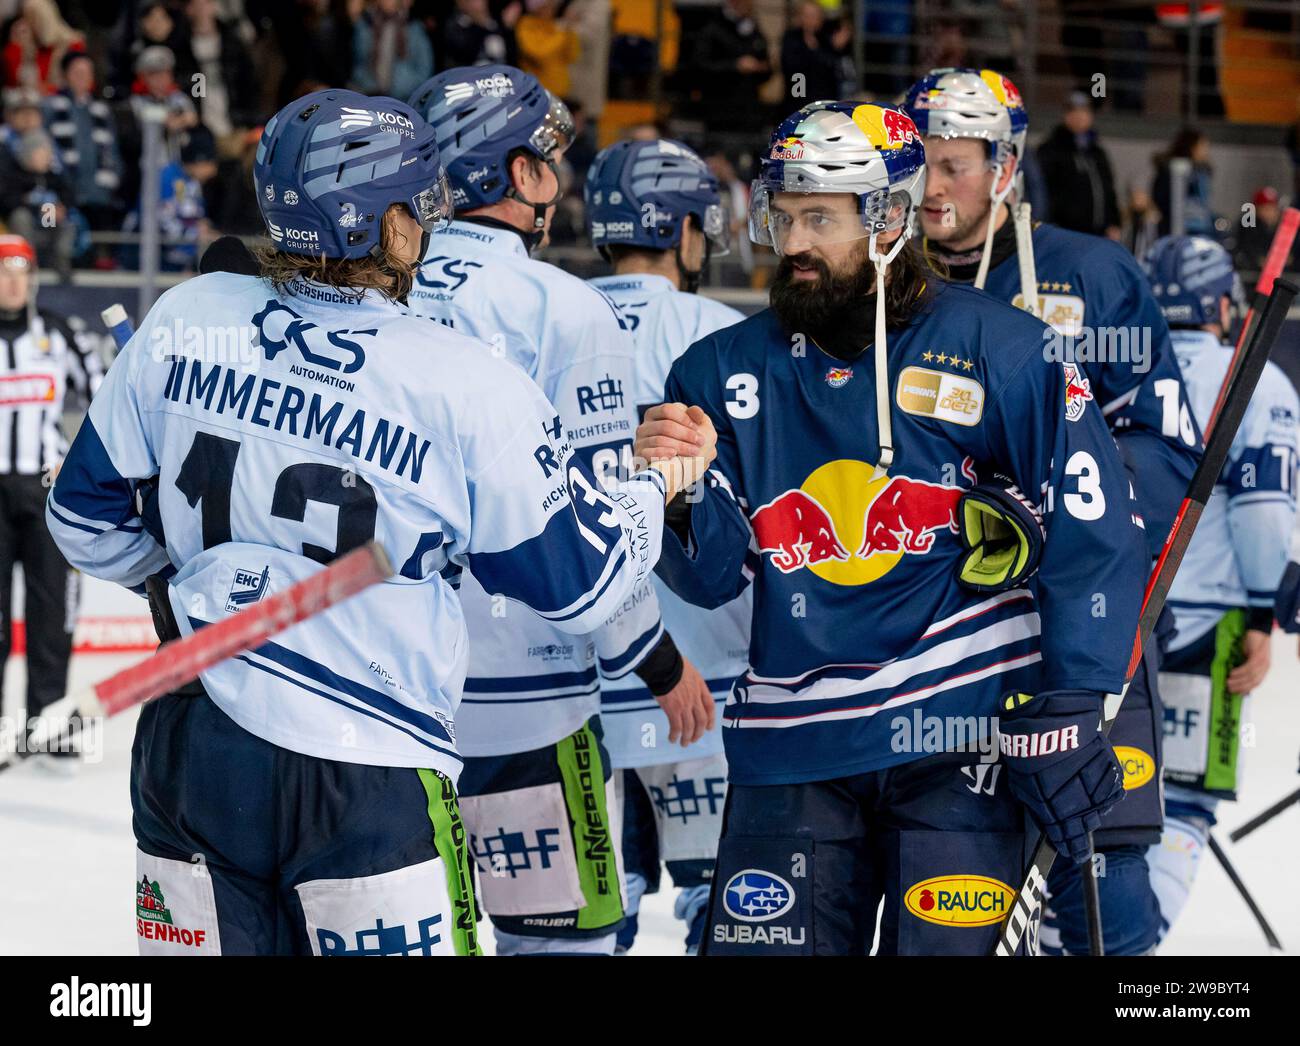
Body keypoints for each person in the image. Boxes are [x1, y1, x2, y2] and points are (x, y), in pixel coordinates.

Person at [45, 89, 707, 956]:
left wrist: (172, 585)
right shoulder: (462, 382)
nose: (429, 222)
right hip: (369, 760)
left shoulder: (185, 315)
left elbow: (81, 516)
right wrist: (653, 485)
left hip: (192, 740)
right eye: (418, 202)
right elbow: (576, 589)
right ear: (385, 225)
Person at [635, 100, 1149, 955]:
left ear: (891, 220)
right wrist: (679, 494)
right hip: (792, 753)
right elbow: (714, 573)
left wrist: (1071, 699)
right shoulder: (717, 370)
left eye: (819, 219)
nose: (792, 242)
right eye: (782, 215)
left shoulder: (1006, 349)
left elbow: (1097, 521)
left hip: (961, 741)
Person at [406, 65, 716, 955]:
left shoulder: (381, 292)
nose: (561, 178)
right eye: (548, 158)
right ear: (515, 175)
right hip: (531, 707)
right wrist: (656, 662)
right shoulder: (558, 309)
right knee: (561, 950)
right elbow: (590, 531)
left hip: (396, 701)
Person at [905, 66, 1203, 957]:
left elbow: (1166, 446)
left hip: (1079, 629)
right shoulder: (877, 287)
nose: (933, 185)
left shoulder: (1094, 274)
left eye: (955, 164)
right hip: (930, 643)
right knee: (946, 895)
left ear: (1004, 167)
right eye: (920, 163)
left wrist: (1068, 502)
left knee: (1104, 892)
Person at [584, 137, 747, 953]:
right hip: (710, 692)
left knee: (571, 935)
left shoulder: (549, 320)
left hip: (572, 693)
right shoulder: (727, 336)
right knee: (724, 920)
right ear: (687, 230)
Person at [1140, 234, 1299, 945]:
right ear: (1224, 305)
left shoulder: (1120, 373)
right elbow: (1264, 514)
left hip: (1117, 625)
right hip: (1214, 630)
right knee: (1186, 807)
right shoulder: (1259, 381)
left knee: (1108, 803)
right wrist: (1269, 610)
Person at [0, 234, 102, 768]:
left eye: (22, 271)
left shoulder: (59, 333)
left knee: (50, 617)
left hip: (43, 490)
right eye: (4, 272)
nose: (13, 282)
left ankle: (44, 728)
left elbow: (107, 398)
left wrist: (79, 461)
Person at [41, 51, 123, 238]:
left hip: (99, 193)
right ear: (65, 75)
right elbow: (45, 147)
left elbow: (113, 151)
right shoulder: (50, 107)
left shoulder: (101, 110)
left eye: (87, 73)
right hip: (63, 190)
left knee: (98, 246)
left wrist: (113, 178)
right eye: (77, 73)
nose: (83, 78)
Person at [1034, 91, 1121, 240]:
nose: (1079, 116)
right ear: (1065, 115)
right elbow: (1042, 192)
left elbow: (1108, 190)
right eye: (1073, 111)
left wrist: (1113, 222)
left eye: (1084, 111)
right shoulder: (1051, 150)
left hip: (1098, 234)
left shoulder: (1097, 152)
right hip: (1065, 233)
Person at [350, 0, 434, 103]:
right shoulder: (365, 24)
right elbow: (357, 59)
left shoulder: (413, 26)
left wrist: (409, 85)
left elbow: (425, 65)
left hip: (403, 97)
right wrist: (362, 83)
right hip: (369, 95)